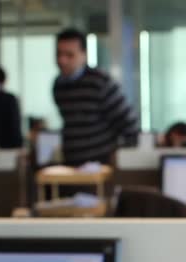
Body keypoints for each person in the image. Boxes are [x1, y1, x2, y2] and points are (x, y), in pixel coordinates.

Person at [53, 28, 139, 166]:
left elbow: (129, 123)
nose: (62, 60)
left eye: (69, 55)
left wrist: (119, 155)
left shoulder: (100, 82)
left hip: (100, 164)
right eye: (59, 54)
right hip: (72, 164)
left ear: (84, 55)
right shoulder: (58, 85)